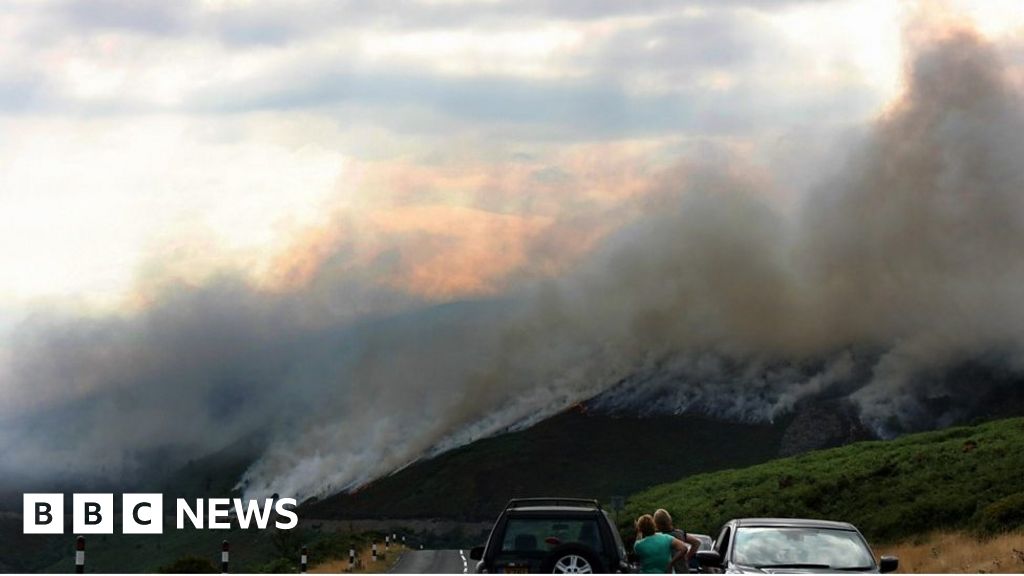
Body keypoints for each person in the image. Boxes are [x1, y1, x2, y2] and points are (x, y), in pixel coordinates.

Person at [654, 508, 701, 573]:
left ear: (657, 524)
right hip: (683, 570)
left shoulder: (658, 537)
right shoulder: (680, 533)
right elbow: (696, 543)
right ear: (669, 519)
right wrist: (686, 557)